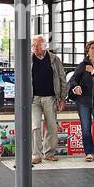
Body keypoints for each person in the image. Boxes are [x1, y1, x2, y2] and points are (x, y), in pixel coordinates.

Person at [68, 39, 94, 162]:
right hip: (83, 101)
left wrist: (93, 72)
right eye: (92, 48)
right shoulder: (83, 65)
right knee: (86, 128)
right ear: (88, 51)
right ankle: (89, 152)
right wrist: (76, 87)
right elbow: (74, 79)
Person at [28, 34, 66, 164]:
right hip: (33, 99)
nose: (35, 48)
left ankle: (49, 153)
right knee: (35, 126)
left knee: (52, 127)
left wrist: (62, 98)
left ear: (44, 46)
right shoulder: (28, 60)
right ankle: (36, 155)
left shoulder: (54, 59)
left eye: (38, 45)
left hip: (50, 98)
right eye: (33, 45)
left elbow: (62, 78)